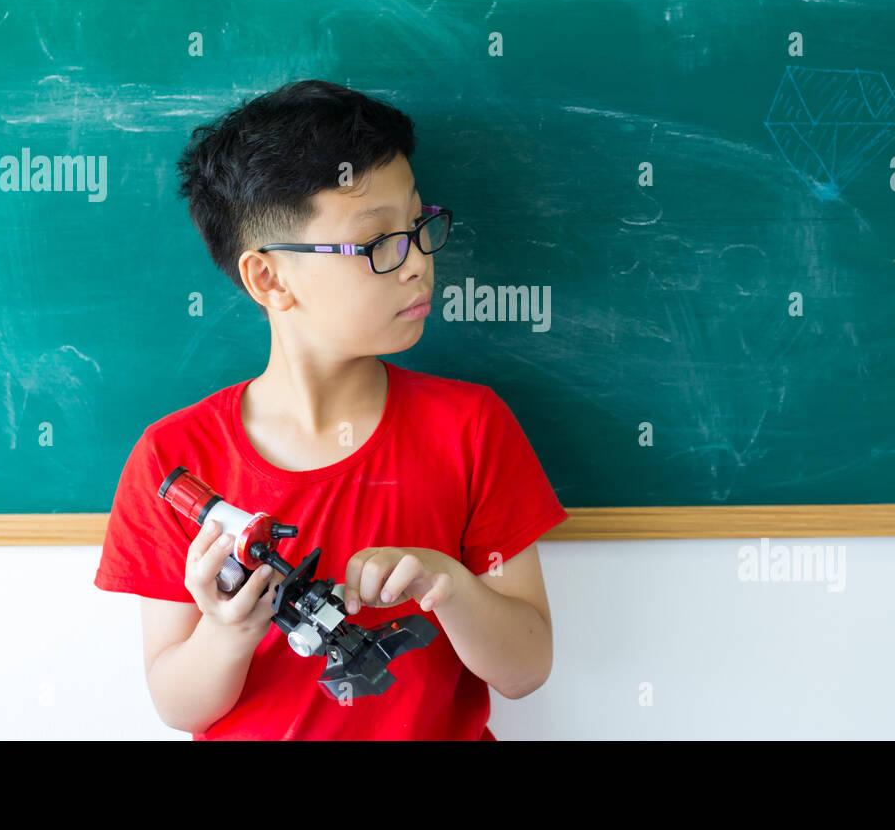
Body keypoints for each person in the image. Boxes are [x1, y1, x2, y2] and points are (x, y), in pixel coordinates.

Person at [93, 79, 568, 739]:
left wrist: (449, 584)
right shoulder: (174, 463)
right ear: (270, 278)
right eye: (379, 244)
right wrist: (228, 633)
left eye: (418, 225)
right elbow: (179, 705)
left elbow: (526, 668)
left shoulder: (470, 428)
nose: (418, 264)